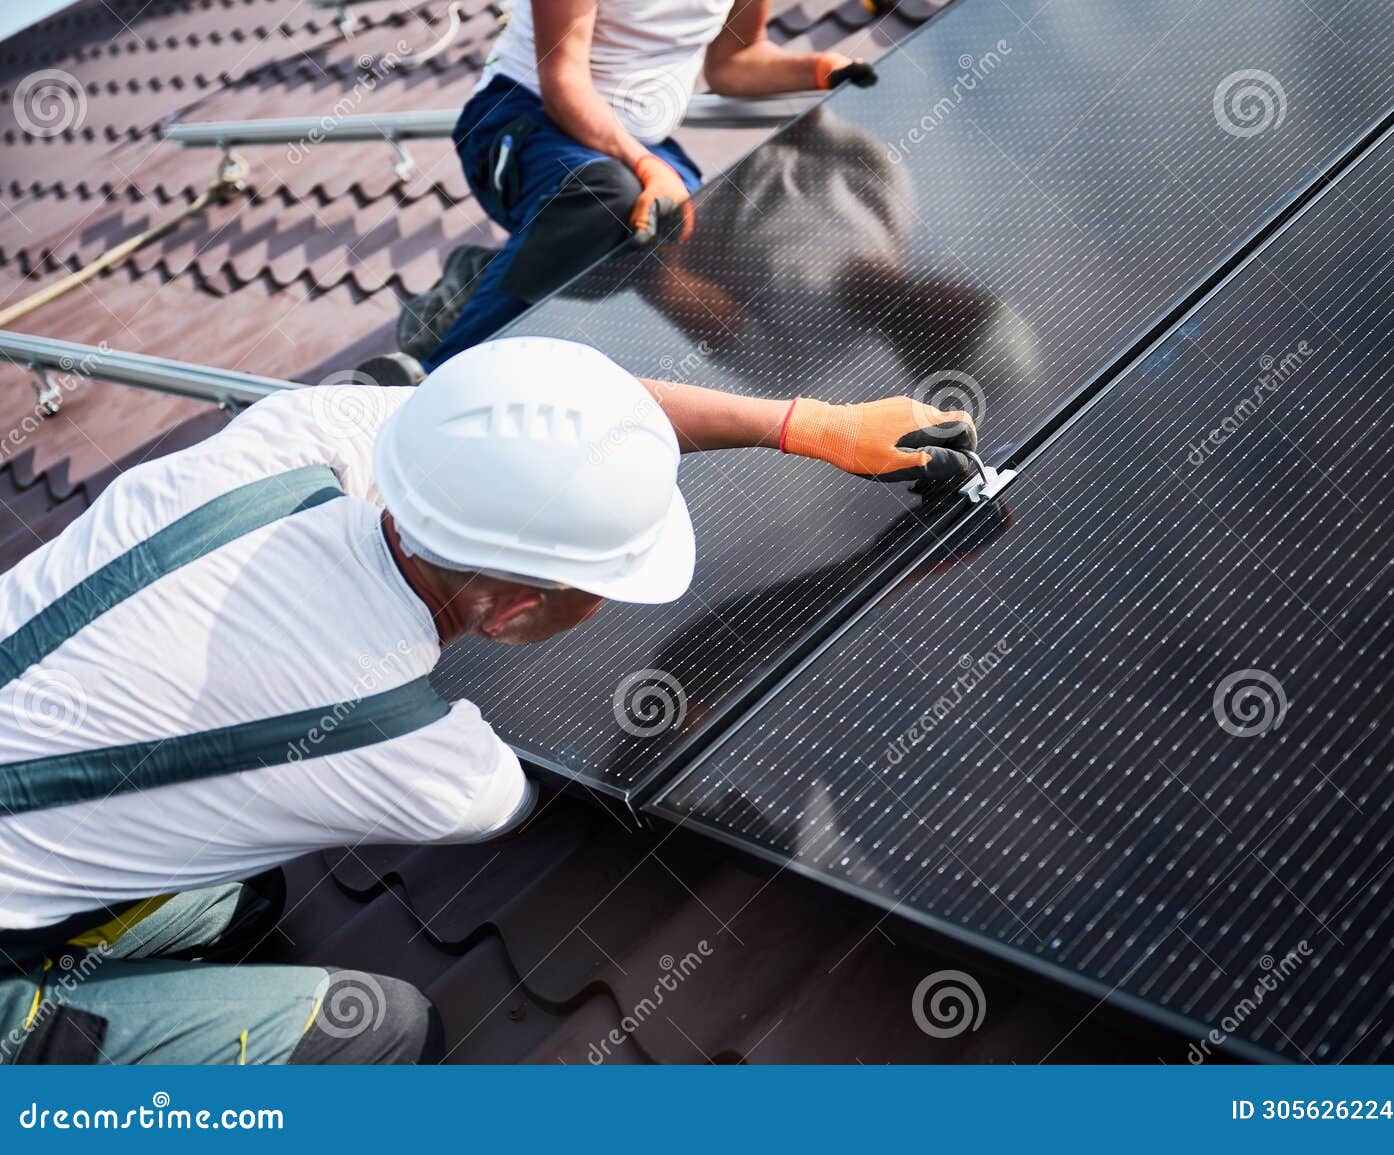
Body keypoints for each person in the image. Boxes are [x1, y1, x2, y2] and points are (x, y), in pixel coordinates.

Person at [0, 335, 975, 1064]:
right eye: (608, 587)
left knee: (243, 901)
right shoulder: (410, 758)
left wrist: (804, 424)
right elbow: (614, 761)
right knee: (373, 1031)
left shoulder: (311, 433)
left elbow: (555, 419)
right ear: (511, 610)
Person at [358, 0, 877, 386]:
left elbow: (734, 63)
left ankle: (482, 280)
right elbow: (563, 81)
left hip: (624, 148)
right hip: (519, 125)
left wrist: (818, 69)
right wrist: (646, 164)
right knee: (611, 200)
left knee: (674, 232)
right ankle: (430, 376)